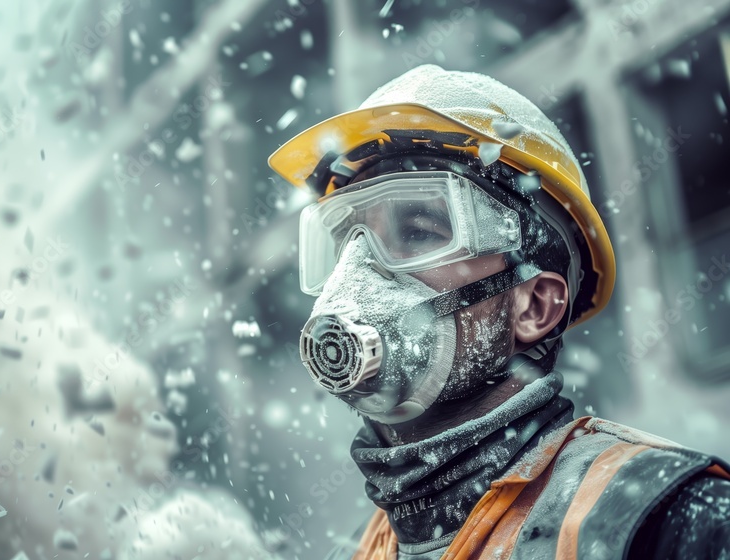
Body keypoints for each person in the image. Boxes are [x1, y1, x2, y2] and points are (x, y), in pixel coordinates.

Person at [266, 64, 730, 559]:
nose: (353, 278)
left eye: (419, 231)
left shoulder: (666, 521)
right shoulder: (371, 549)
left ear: (533, 306)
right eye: (345, 244)